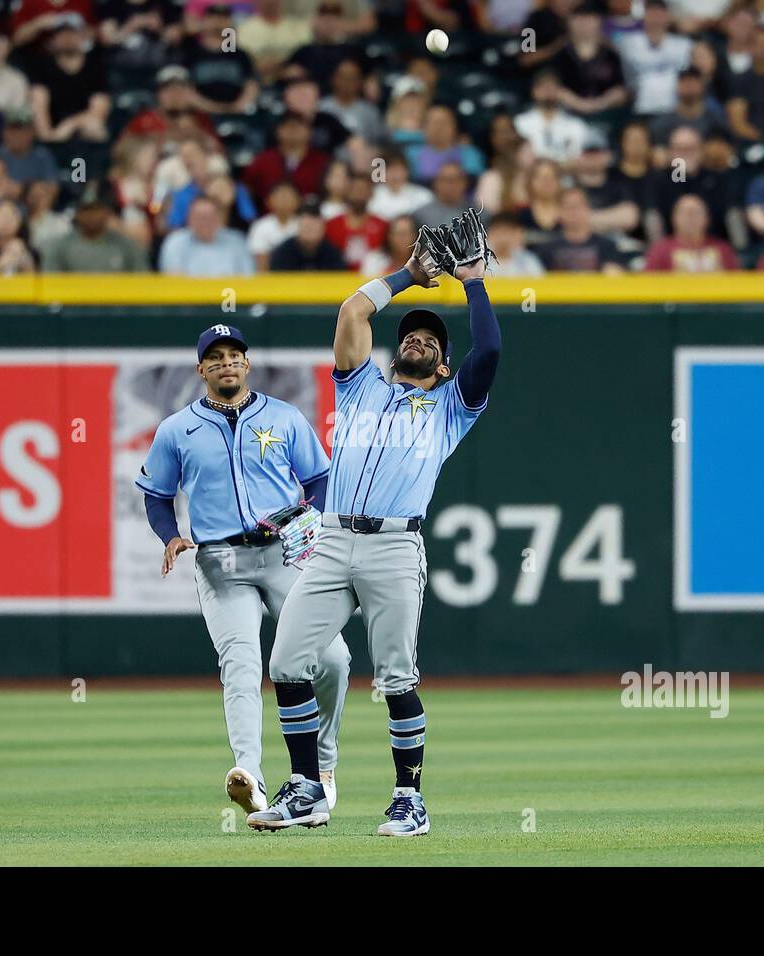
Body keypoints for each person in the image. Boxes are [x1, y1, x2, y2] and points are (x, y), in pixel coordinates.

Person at [250, 210, 502, 836]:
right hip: (334, 539)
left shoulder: (450, 406)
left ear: (444, 364)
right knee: (286, 662)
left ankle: (409, 799)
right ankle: (307, 790)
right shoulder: (359, 384)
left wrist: (471, 280)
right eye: (412, 336)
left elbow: (491, 347)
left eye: (432, 341)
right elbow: (351, 314)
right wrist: (410, 275)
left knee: (395, 675)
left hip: (394, 545)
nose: (419, 339)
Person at [136, 322, 351, 818]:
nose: (226, 362)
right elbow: (156, 495)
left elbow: (319, 480)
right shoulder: (177, 429)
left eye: (234, 354)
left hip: (284, 554)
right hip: (221, 561)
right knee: (242, 662)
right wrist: (169, 536)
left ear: (247, 364)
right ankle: (250, 774)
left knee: (334, 660)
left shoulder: (285, 416)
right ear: (201, 369)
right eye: (216, 357)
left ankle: (321, 766)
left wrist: (310, 519)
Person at [30, 21, 111, 142]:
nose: (68, 40)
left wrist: (70, 125)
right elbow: (39, 105)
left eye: (72, 35)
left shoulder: (94, 68)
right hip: (53, 131)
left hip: (83, 128)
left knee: (95, 127)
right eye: (62, 36)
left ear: (82, 38)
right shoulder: (43, 68)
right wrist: (50, 138)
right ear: (53, 41)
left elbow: (99, 111)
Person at [43, 180, 150, 272]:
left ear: (107, 211)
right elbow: (50, 284)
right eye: (86, 209)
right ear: (78, 213)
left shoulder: (126, 247)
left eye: (96, 209)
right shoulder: (61, 247)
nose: (91, 215)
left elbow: (142, 281)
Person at [616, 0, 692, 116]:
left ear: (669, 17)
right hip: (639, 108)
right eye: (651, 14)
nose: (656, 20)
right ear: (644, 17)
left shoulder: (684, 45)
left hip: (675, 110)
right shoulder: (627, 44)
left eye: (660, 15)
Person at [242, 112, 330, 212]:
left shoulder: (322, 161)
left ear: (309, 131)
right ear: (278, 131)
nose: (293, 130)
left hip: (311, 219)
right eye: (288, 126)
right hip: (270, 221)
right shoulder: (262, 161)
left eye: (298, 126)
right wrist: (249, 216)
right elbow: (246, 190)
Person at [553, 4, 627, 116]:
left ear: (598, 22)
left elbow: (620, 91)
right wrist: (581, 105)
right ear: (569, 22)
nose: (584, 25)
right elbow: (555, 88)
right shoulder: (560, 55)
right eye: (579, 19)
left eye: (589, 19)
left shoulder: (611, 55)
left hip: (606, 114)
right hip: (567, 115)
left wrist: (598, 104)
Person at [158, 194, 254, 275]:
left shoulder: (237, 242)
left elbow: (248, 277)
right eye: (199, 216)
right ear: (189, 219)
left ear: (220, 218)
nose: (204, 222)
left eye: (209, 216)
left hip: (230, 296)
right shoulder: (175, 242)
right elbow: (173, 280)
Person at [532, 187, 623, 271]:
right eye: (568, 207)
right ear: (559, 212)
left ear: (588, 209)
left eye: (578, 206)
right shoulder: (546, 250)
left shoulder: (608, 247)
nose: (573, 211)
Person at [513, 70, 589, 167]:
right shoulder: (520, 123)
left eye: (552, 86)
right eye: (543, 86)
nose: (548, 91)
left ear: (560, 91)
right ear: (534, 91)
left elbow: (579, 159)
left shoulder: (576, 125)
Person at [644, 193, 738, 271]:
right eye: (685, 213)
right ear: (674, 218)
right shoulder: (660, 251)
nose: (690, 218)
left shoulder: (723, 249)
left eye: (696, 212)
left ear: (707, 218)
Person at [324, 172, 387, 270]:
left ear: (371, 194)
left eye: (362, 190)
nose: (358, 195)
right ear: (347, 192)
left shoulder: (382, 226)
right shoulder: (331, 225)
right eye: (355, 190)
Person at [269, 199, 348, 270]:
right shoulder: (283, 253)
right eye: (306, 225)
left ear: (323, 227)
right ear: (298, 226)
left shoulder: (334, 255)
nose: (310, 226)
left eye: (314, 223)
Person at [249, 181, 302, 271]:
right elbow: (260, 260)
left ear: (298, 201)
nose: (284, 200)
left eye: (288, 197)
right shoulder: (260, 226)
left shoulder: (303, 225)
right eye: (280, 196)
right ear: (268, 201)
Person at [368, 150, 433, 220]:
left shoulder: (424, 196)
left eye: (398, 169)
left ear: (407, 171)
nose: (394, 174)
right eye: (389, 170)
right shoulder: (372, 194)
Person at [487, 211, 546, 276]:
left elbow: (539, 283)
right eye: (498, 231)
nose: (503, 237)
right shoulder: (479, 262)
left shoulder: (528, 261)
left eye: (507, 232)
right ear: (490, 233)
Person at [412, 162, 468, 228]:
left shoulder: (477, 214)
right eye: (445, 180)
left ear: (464, 183)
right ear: (436, 183)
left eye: (455, 180)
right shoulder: (420, 216)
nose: (451, 185)